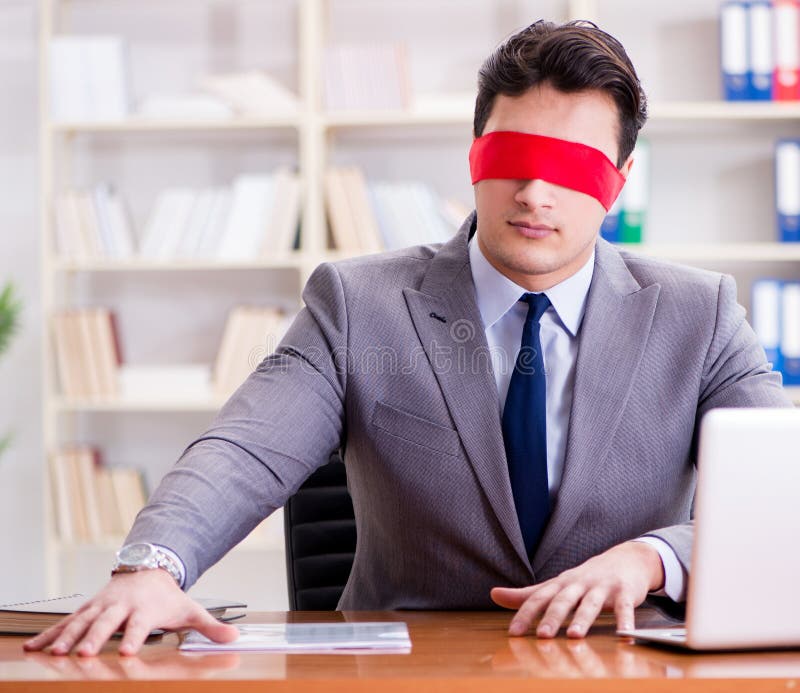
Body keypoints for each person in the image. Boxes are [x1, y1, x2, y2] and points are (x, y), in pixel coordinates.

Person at [26, 19, 790, 657]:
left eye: (572, 168)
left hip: (626, 662)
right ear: (472, 160)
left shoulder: (700, 314)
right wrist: (153, 564)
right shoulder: (359, 303)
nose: (534, 193)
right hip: (407, 667)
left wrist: (654, 558)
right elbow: (246, 447)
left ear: (618, 183)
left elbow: (780, 505)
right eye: (512, 160)